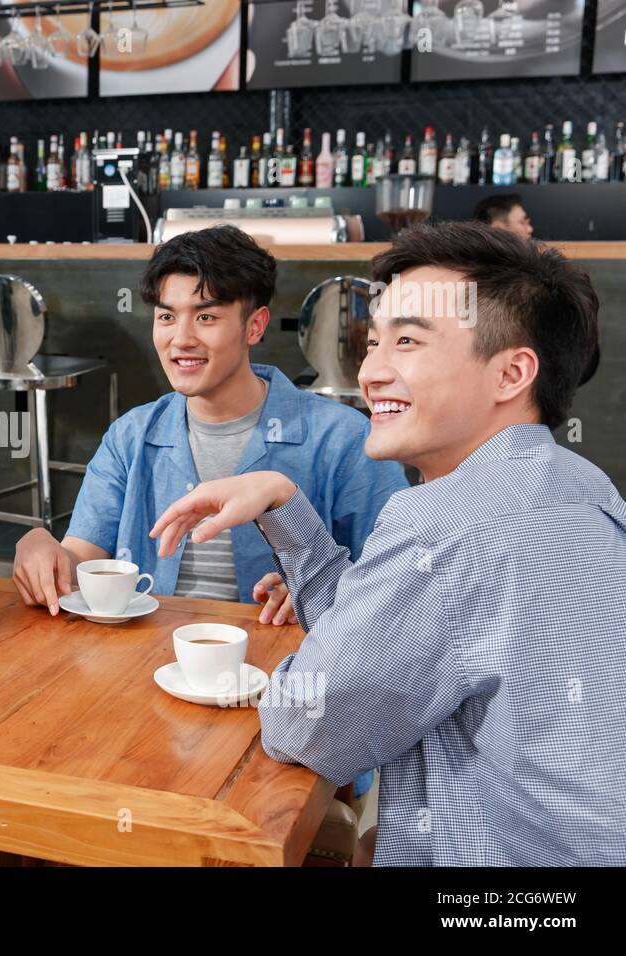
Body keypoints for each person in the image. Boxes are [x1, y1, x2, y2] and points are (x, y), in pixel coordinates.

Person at [151, 222, 624, 865]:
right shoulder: (578, 484)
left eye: (407, 341)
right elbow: (399, 642)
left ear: (511, 373)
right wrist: (285, 500)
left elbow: (307, 723)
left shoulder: (454, 519)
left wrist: (307, 664)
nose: (370, 371)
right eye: (373, 342)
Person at [13, 225, 406, 625]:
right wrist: (39, 545)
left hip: (285, 667)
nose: (181, 339)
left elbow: (399, 581)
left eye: (206, 316)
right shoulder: (130, 436)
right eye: (166, 316)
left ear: (254, 326)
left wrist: (324, 588)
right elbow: (81, 559)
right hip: (147, 657)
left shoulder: (345, 438)